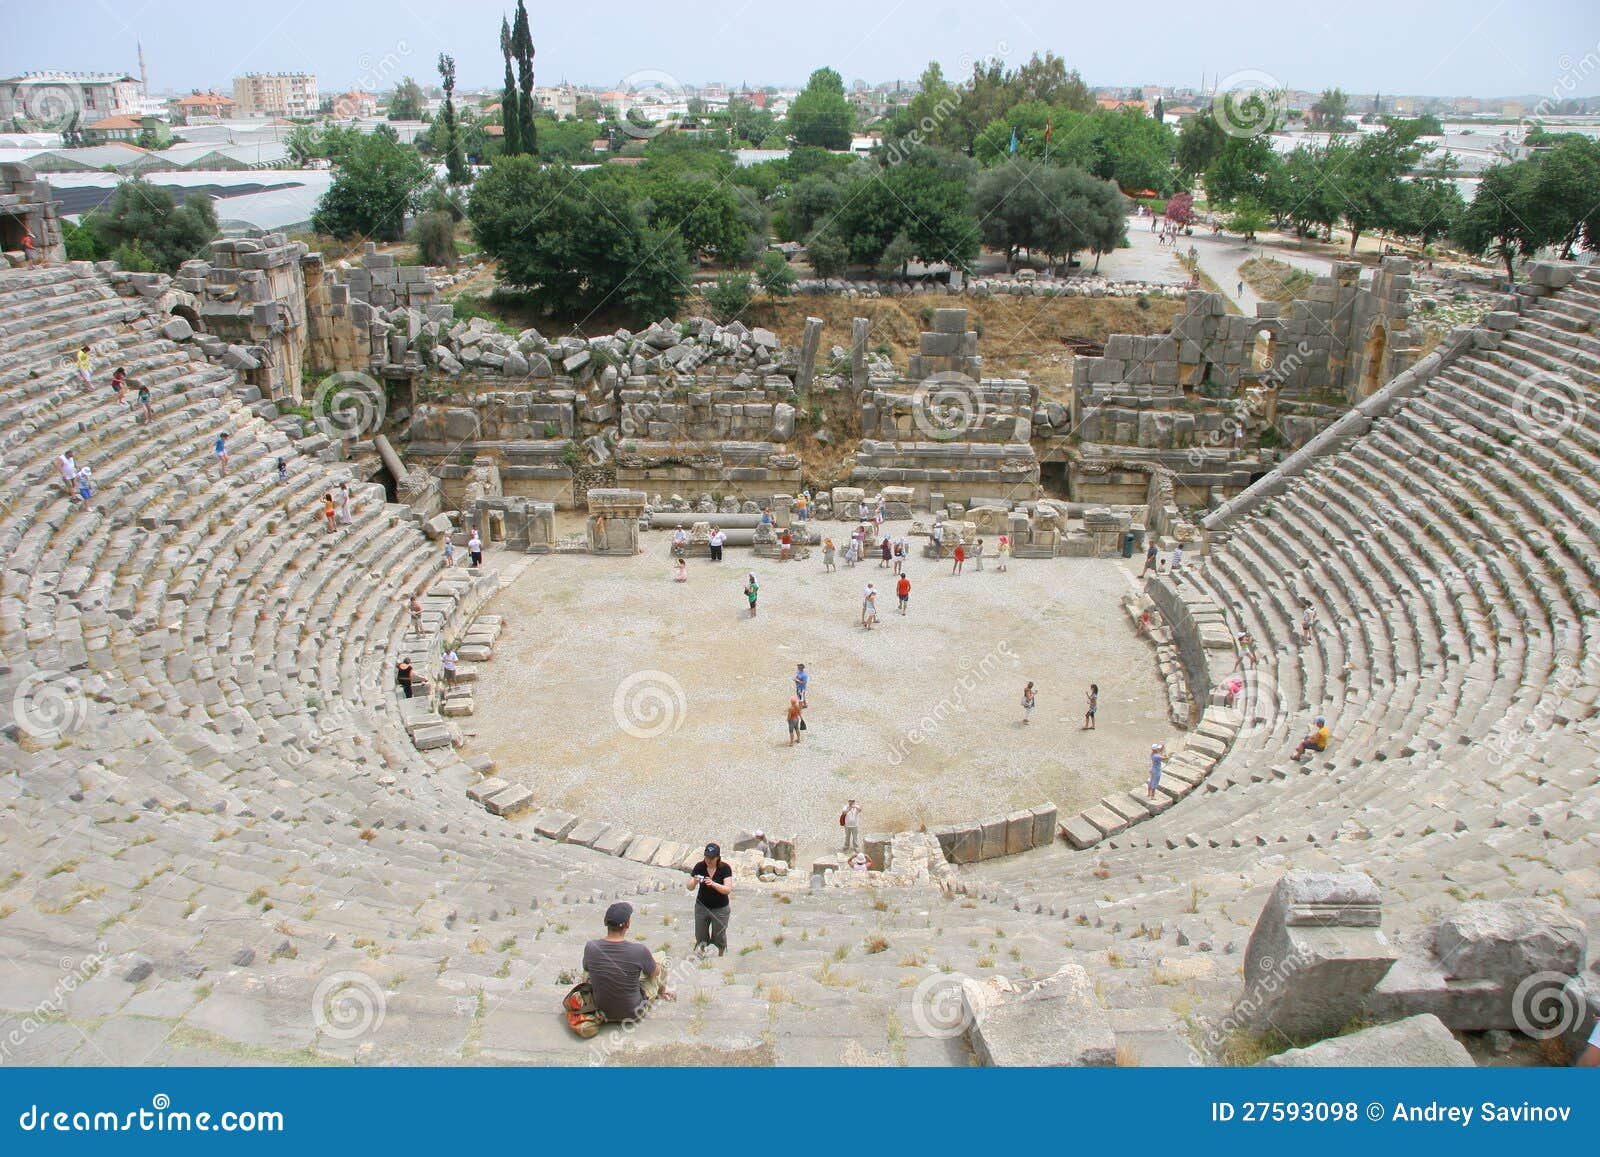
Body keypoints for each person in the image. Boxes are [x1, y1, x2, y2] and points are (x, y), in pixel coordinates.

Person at [578, 901, 672, 1032]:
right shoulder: (639, 950)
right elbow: (655, 973)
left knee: (587, 970)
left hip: (600, 1011)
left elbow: (587, 970)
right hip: (632, 1014)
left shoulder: (591, 947)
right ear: (628, 924)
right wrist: (651, 962)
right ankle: (662, 992)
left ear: (605, 922)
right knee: (661, 957)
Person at [687, 843, 733, 955]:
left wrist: (713, 884)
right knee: (700, 934)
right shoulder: (699, 866)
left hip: (720, 909)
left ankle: (721, 953)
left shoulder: (725, 868)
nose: (708, 860)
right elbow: (689, 887)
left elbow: (727, 889)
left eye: (711, 858)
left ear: (717, 857)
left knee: (719, 935)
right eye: (707, 857)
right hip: (702, 907)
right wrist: (695, 881)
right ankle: (701, 953)